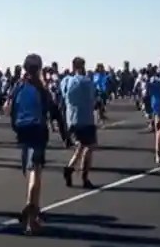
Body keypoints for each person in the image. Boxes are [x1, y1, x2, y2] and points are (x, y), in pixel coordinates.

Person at [6, 53, 69, 235]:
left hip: (22, 130)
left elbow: (11, 109)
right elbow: (54, 110)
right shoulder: (41, 89)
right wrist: (65, 135)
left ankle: (34, 209)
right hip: (37, 130)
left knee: (30, 169)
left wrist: (15, 128)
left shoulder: (18, 87)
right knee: (36, 171)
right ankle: (30, 214)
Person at [60, 57, 98, 190]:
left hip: (72, 118)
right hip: (85, 118)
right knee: (90, 146)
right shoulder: (86, 82)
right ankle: (84, 177)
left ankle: (70, 168)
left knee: (81, 145)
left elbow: (63, 97)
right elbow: (92, 97)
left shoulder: (66, 81)